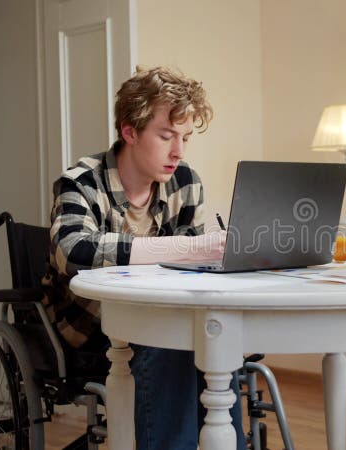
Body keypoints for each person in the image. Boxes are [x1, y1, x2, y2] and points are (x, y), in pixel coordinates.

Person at [40, 66, 245, 450]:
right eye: (166, 136)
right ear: (129, 131)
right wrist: (189, 249)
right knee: (171, 339)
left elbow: (192, 273)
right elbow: (71, 251)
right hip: (87, 324)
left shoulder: (186, 182)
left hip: (160, 316)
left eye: (185, 137)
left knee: (212, 338)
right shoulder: (81, 182)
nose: (178, 151)